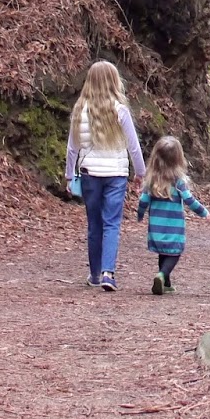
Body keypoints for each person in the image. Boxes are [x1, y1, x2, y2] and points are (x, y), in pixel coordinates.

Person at [65, 60, 145, 291]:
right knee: (112, 224)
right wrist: (140, 172)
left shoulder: (80, 109)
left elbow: (72, 147)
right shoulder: (120, 110)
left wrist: (70, 176)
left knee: (94, 225)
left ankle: (94, 274)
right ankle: (108, 272)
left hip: (90, 175)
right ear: (113, 81)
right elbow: (134, 146)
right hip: (116, 176)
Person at [135, 136, 209, 295]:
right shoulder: (178, 182)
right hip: (174, 228)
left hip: (156, 227)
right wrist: (203, 212)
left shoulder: (152, 181)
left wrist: (140, 215)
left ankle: (165, 282)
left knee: (163, 252)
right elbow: (189, 200)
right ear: (178, 159)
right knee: (174, 253)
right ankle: (162, 275)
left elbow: (143, 200)